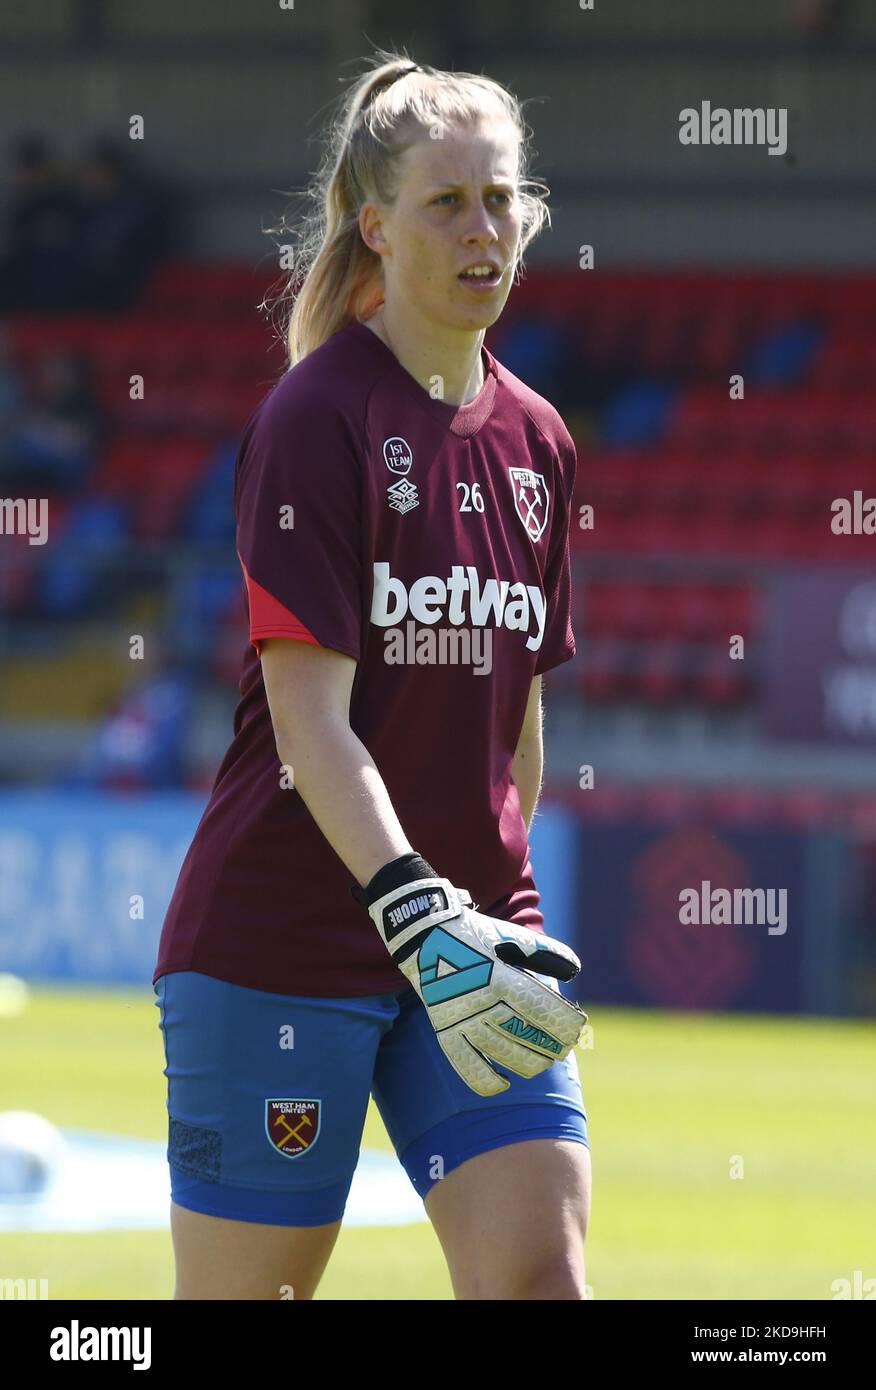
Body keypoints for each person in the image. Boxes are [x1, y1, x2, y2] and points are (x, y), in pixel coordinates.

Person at [152, 48, 591, 1301]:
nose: (483, 229)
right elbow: (309, 722)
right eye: (447, 202)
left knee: (541, 1280)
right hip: (283, 938)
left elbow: (517, 719)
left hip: (471, 938)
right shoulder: (317, 415)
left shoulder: (542, 439)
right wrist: (415, 908)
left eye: (503, 198)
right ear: (374, 226)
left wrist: (495, 910)